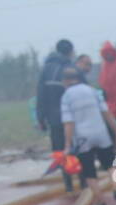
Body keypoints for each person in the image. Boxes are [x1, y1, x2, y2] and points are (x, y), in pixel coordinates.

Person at [59, 67, 116, 205]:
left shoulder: (66, 97)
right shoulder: (92, 91)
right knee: (111, 165)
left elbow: (69, 123)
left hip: (83, 138)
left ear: (65, 81)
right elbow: (106, 113)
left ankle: (100, 201)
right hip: (101, 133)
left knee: (89, 172)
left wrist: (67, 145)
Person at [36, 39, 75, 190]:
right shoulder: (71, 68)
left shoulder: (46, 69)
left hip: (54, 119)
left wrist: (41, 118)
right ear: (70, 51)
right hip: (71, 119)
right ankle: (84, 184)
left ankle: (68, 185)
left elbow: (41, 95)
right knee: (77, 150)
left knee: (60, 151)